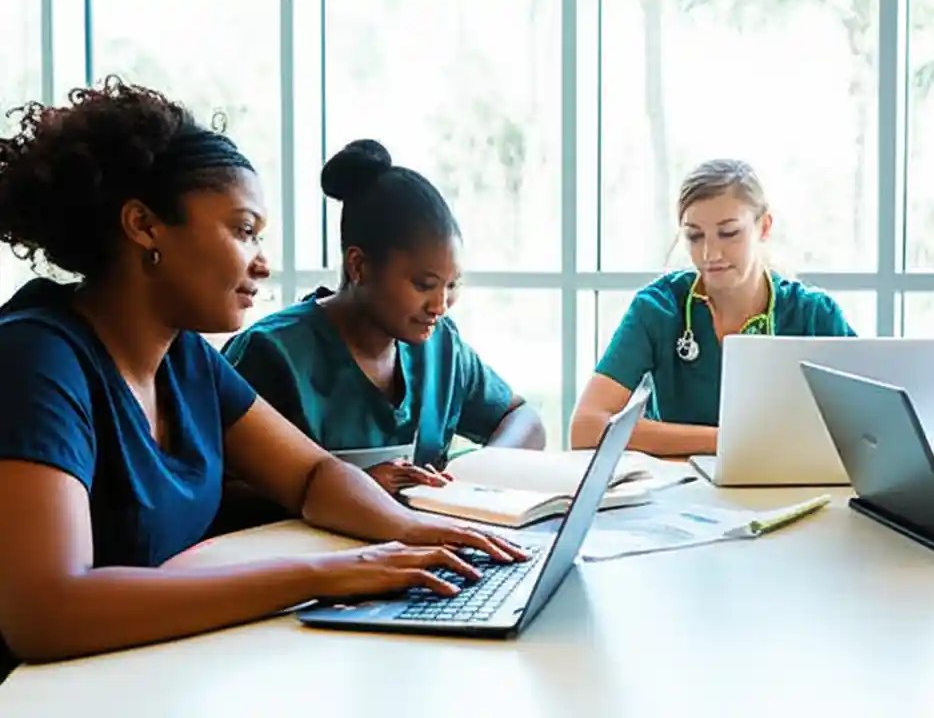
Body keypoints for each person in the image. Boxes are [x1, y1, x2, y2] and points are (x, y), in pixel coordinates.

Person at [0, 79, 526, 678]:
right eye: (243, 230)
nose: (263, 263)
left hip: (149, 674)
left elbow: (312, 474)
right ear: (144, 226)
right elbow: (42, 610)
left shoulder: (185, 359)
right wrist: (322, 576)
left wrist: (414, 531)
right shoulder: (37, 359)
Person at [222, 139, 546, 499]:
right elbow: (215, 491)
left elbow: (524, 420)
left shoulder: (441, 348)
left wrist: (479, 475)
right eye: (424, 284)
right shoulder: (271, 354)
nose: (440, 305)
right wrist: (347, 491)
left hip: (420, 547)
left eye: (451, 285)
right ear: (359, 266)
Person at [570, 158, 856, 457]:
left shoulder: (814, 315)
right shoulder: (658, 308)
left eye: (729, 233)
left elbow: (870, 425)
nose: (710, 253)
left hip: (787, 492)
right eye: (694, 236)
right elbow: (586, 427)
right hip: (678, 492)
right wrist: (724, 441)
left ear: (764, 227)